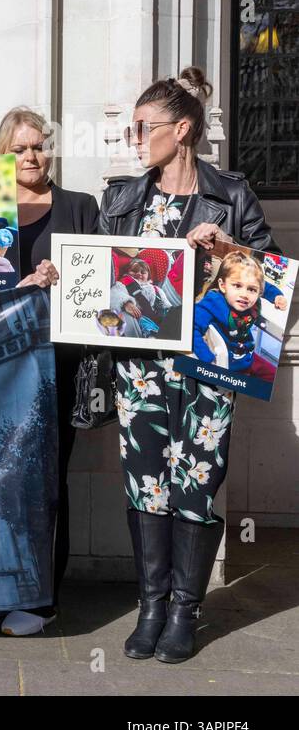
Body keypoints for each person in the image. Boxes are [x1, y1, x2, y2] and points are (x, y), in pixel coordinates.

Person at [98, 67, 279, 664]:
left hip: (207, 366)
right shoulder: (123, 198)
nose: (135, 136)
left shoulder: (230, 195)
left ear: (182, 130)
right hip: (141, 368)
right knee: (147, 483)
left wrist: (230, 251)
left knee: (197, 485)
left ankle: (184, 610)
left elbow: (272, 276)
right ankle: (150, 607)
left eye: (144, 127)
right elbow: (100, 280)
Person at [0, 107, 100, 637]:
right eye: (18, 148)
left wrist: (66, 280)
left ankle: (41, 599)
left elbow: (101, 289)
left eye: (39, 145)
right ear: (2, 153)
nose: (31, 156)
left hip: (54, 366)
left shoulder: (81, 208)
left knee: (43, 482)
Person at [192, 251, 283, 372]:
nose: (244, 294)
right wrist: (208, 359)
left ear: (259, 292)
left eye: (251, 289)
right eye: (237, 286)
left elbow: (263, 285)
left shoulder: (252, 298)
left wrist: (277, 296)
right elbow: (191, 327)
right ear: (223, 285)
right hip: (227, 367)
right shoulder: (213, 302)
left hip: (246, 357)